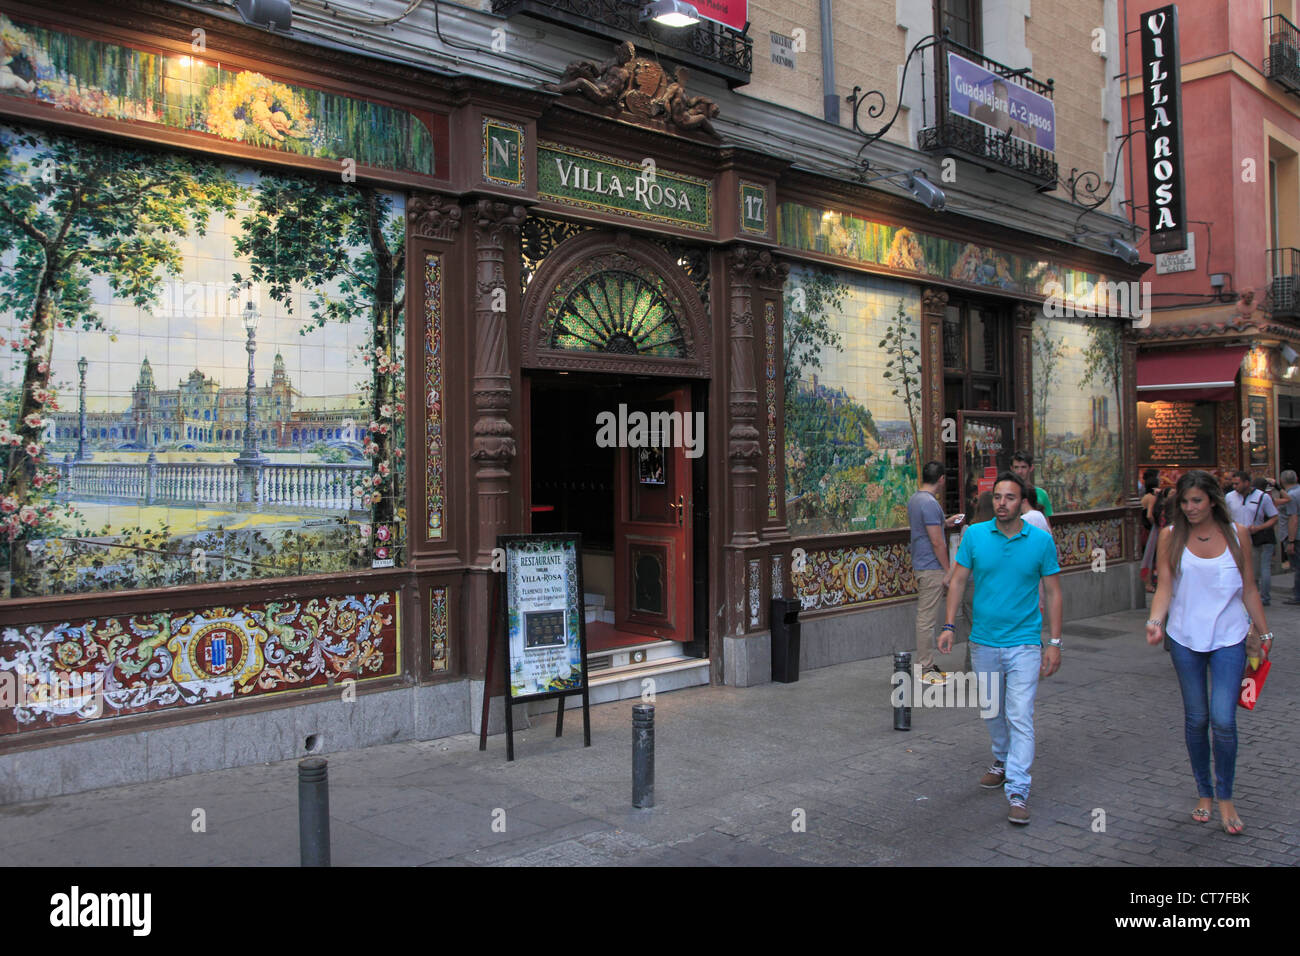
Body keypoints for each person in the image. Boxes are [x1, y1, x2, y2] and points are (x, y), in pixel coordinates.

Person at [1144, 470, 1272, 835]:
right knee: (1197, 718)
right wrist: (1155, 620)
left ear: (1213, 500)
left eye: (1196, 501)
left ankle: (1226, 796)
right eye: (1184, 502)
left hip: (1229, 636)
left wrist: (1265, 632)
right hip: (1184, 636)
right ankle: (1204, 793)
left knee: (1223, 720)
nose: (1190, 508)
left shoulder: (1238, 535)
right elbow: (1165, 586)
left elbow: (1248, 589)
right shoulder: (1171, 536)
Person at [941, 471, 1062, 825]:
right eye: (997, 497)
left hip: (1025, 642)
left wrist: (1054, 642)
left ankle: (1018, 790)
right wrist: (949, 626)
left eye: (1009, 497)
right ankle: (1002, 758)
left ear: (1022, 502)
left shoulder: (1040, 541)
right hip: (984, 642)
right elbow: (959, 580)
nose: (1002, 503)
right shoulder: (976, 536)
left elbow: (1054, 591)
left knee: (1020, 714)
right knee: (993, 710)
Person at [908, 461, 962, 683]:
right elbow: (937, 542)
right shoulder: (929, 503)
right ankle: (925, 666)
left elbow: (927, 528)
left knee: (926, 617)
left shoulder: (916, 499)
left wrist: (946, 522)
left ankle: (926, 664)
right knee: (926, 618)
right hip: (931, 566)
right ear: (941, 479)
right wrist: (948, 570)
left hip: (923, 563)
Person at [1224, 470, 1278, 605]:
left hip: (1255, 538)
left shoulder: (1263, 497)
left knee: (1257, 568)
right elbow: (1224, 517)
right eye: (1233, 484)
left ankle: (1263, 597)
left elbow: (1274, 517)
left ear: (1247, 483)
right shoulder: (1229, 497)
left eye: (1237, 483)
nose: (1234, 486)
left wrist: (1259, 528)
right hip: (1234, 538)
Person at [1011, 451, 1052, 516]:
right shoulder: (1007, 493)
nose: (1019, 471)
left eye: (1023, 467)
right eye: (1016, 467)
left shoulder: (1041, 494)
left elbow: (1046, 523)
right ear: (1012, 469)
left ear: (1031, 468)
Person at [1282, 470, 1300, 605]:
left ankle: (1298, 595)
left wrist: (1291, 541)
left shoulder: (1291, 496)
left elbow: (1293, 518)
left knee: (1297, 567)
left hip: (1296, 536)